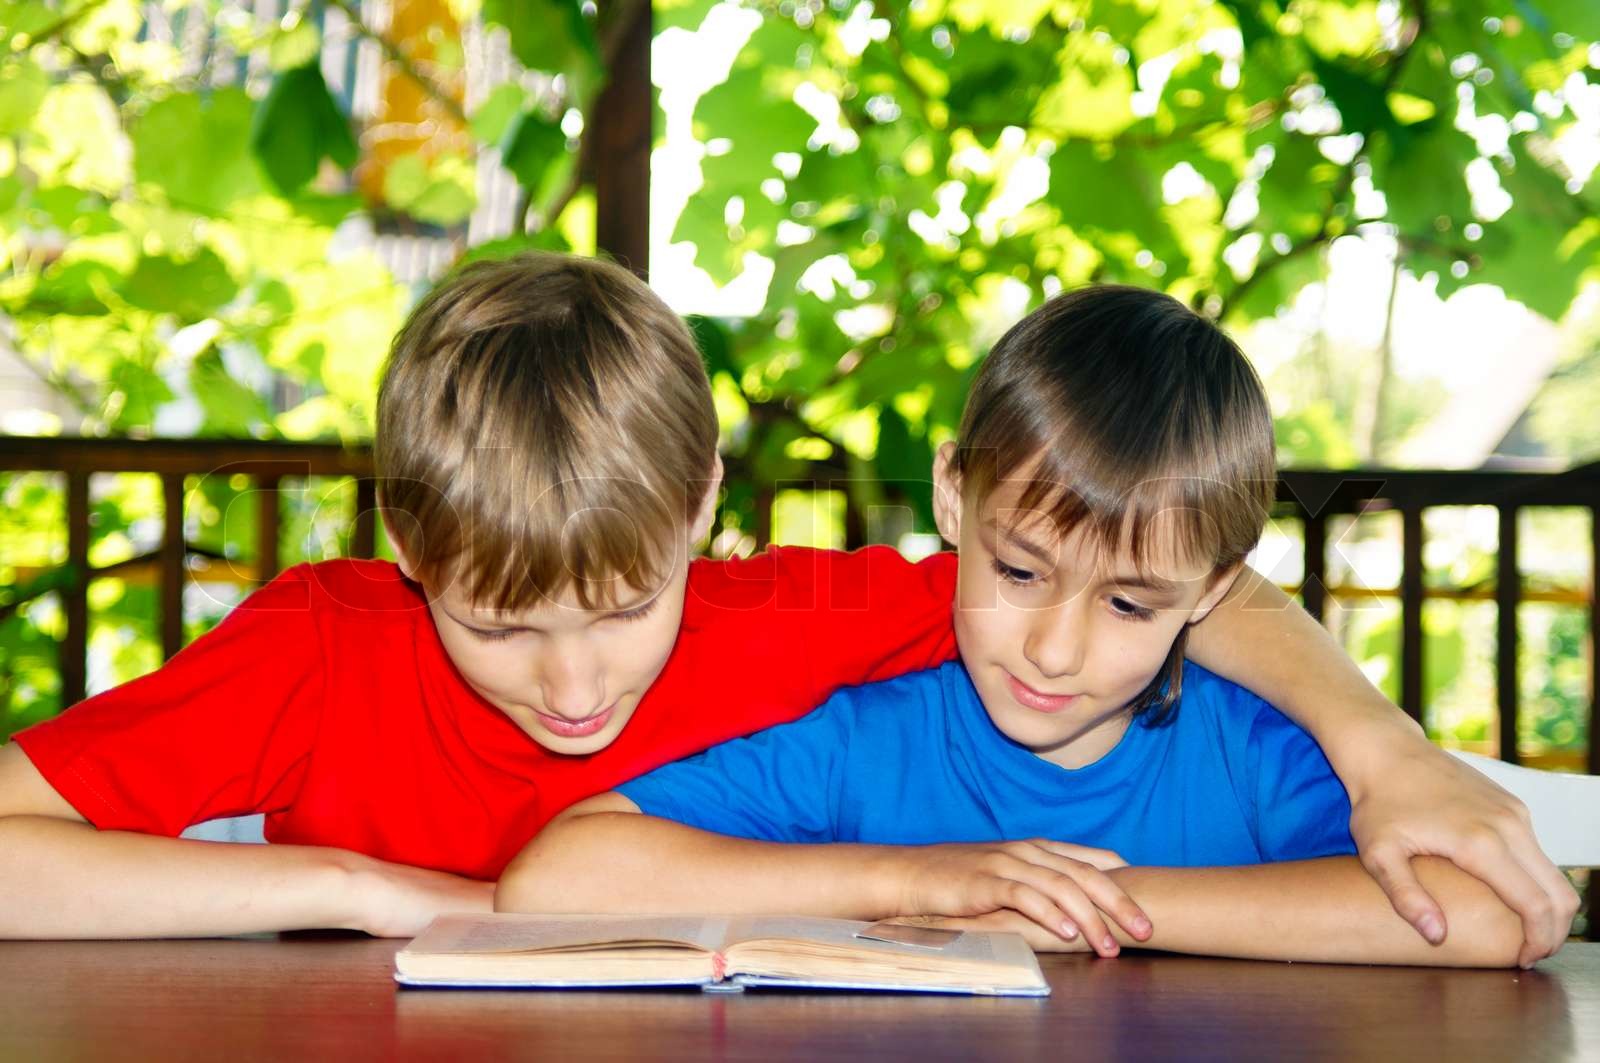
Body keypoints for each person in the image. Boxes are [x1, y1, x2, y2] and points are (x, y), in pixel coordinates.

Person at [0, 257, 1572, 959]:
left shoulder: (789, 615)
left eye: (623, 606)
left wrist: (1382, 748)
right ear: (410, 543)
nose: (567, 679)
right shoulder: (322, 639)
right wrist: (352, 885)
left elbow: (1125, 571)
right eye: (496, 621)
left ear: (702, 516)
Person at [496, 286, 1575, 968]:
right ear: (953, 499)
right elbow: (557, 880)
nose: (1054, 650)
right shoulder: (867, 733)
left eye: (1128, 603)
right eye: (1018, 570)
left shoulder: (1249, 744)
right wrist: (923, 879)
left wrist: (1067, 900)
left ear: (1213, 590)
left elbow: (1487, 916)